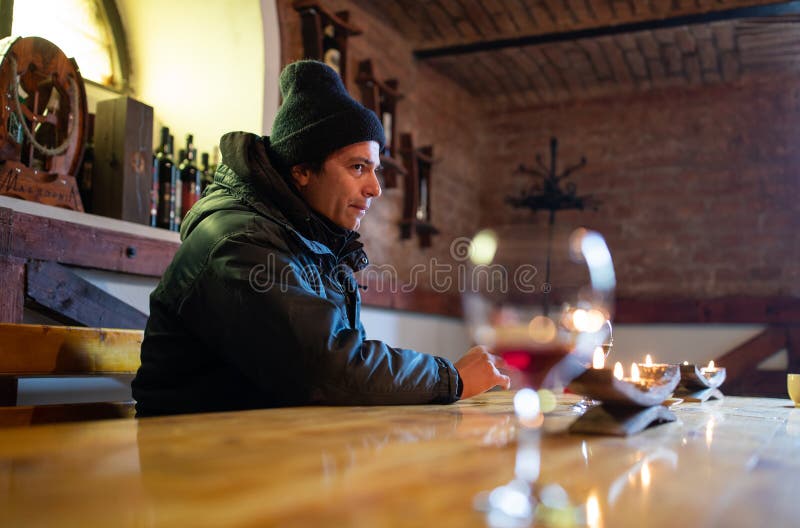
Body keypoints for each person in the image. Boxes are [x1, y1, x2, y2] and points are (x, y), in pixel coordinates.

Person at [132, 60, 509, 416]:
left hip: (261, 447)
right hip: (190, 458)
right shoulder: (238, 241)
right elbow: (328, 367)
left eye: (374, 169)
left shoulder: (313, 242)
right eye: (357, 167)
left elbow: (341, 370)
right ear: (302, 171)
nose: (375, 188)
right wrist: (451, 378)